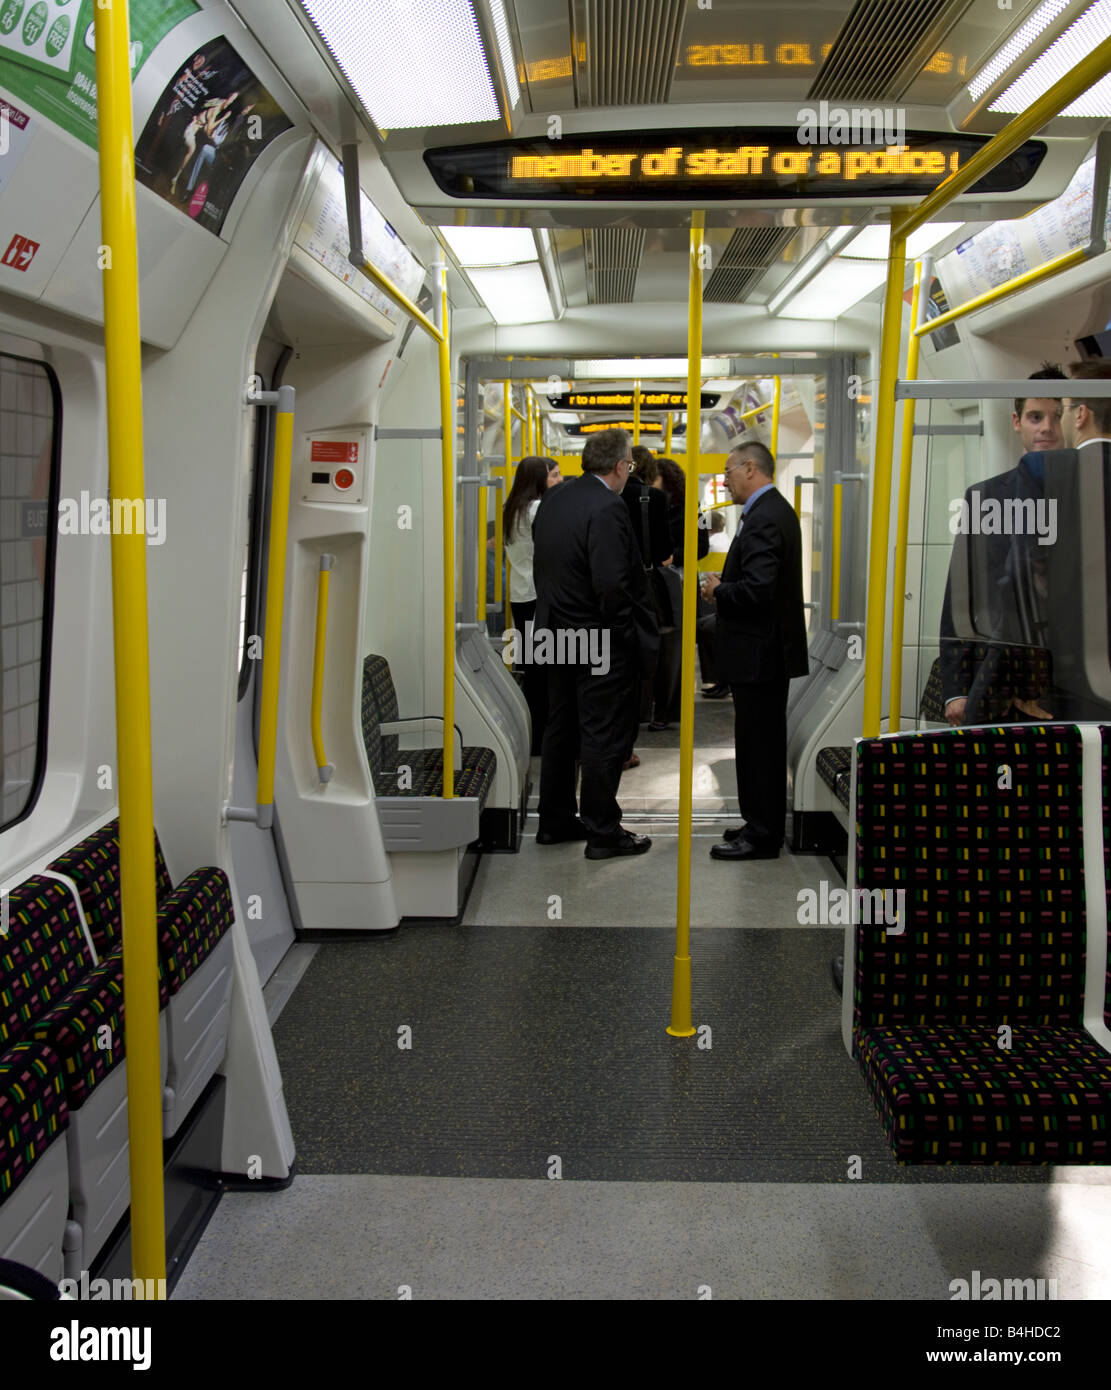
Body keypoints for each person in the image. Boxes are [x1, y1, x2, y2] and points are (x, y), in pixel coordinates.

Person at [532, 429, 658, 858]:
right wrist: (624, 634)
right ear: (621, 466)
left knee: (561, 728)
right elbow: (611, 583)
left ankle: (554, 821)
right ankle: (604, 832)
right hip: (596, 636)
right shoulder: (607, 506)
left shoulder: (555, 500)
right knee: (602, 733)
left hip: (553, 632)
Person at [938, 364, 1065, 725]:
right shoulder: (985, 498)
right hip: (993, 683)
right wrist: (958, 687)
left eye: (1056, 416)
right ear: (1016, 421)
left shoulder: (1092, 494)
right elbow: (960, 601)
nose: (1046, 428)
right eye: (1035, 416)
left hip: (1072, 690)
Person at [702, 442, 808, 860]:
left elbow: (759, 590)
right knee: (756, 742)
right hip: (762, 653)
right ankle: (757, 821)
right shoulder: (770, 511)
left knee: (759, 744)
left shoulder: (765, 517)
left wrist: (718, 590)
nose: (724, 479)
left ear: (750, 468)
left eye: (728, 471)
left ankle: (763, 835)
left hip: (760, 654)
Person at [1043, 358, 1111, 718]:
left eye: (1065, 410)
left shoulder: (1049, 477)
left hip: (1071, 677)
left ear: (1081, 413)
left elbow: (1027, 586)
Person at [503, 455, 562, 755]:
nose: (560, 481)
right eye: (554, 475)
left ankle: (531, 735)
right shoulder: (539, 509)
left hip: (520, 596)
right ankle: (542, 738)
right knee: (545, 673)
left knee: (529, 667)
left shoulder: (512, 509)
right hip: (539, 596)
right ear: (539, 480)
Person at [646, 457, 710, 729]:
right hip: (656, 583)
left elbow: (702, 547)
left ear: (667, 480)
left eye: (655, 479)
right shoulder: (648, 505)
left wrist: (673, 557)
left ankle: (668, 711)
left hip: (679, 583)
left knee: (675, 653)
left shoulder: (695, 508)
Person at [623, 446, 674, 746]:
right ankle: (651, 713)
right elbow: (664, 552)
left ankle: (623, 729)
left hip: (609, 591)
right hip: (644, 590)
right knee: (649, 655)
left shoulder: (606, 497)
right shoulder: (654, 499)